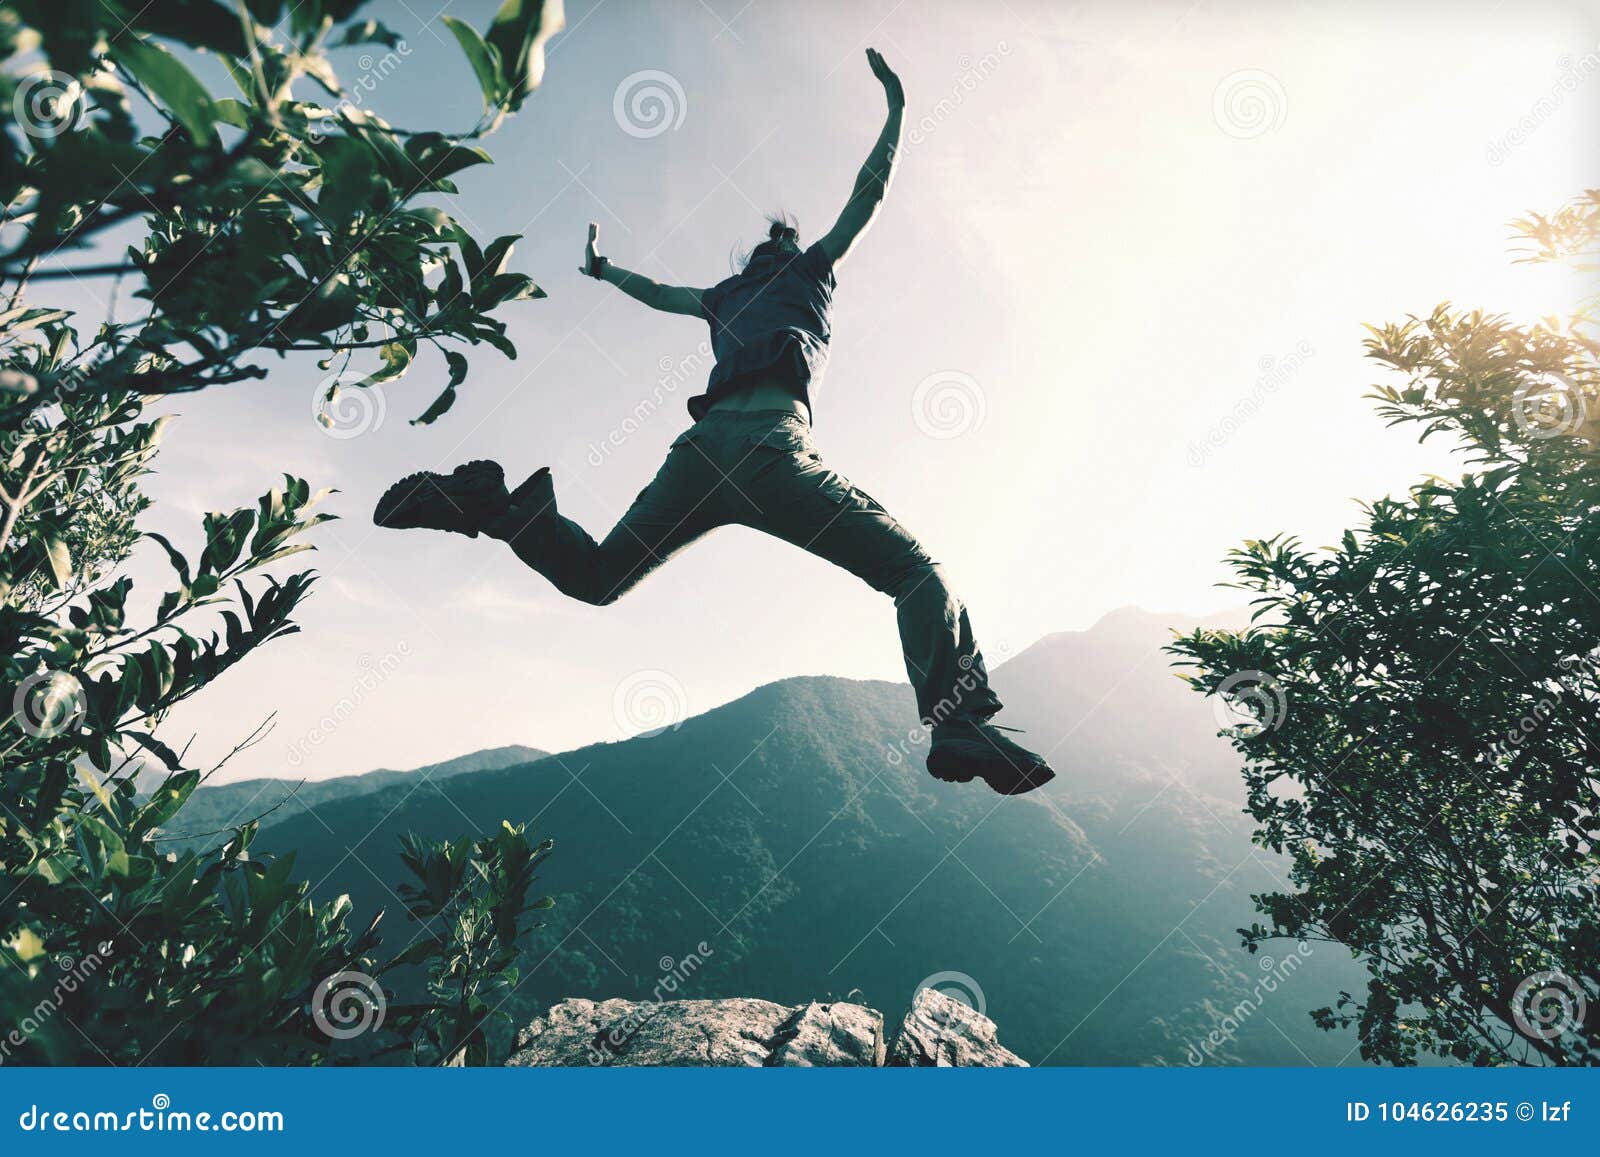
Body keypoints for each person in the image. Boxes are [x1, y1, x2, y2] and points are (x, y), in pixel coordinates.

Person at [374, 49, 1054, 794]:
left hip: (698, 458)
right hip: (771, 454)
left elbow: (658, 293)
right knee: (917, 573)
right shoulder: (808, 274)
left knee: (598, 576)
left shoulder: (724, 296)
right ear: (791, 255)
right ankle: (955, 716)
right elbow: (869, 195)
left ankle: (498, 510)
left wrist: (604, 271)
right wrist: (894, 111)